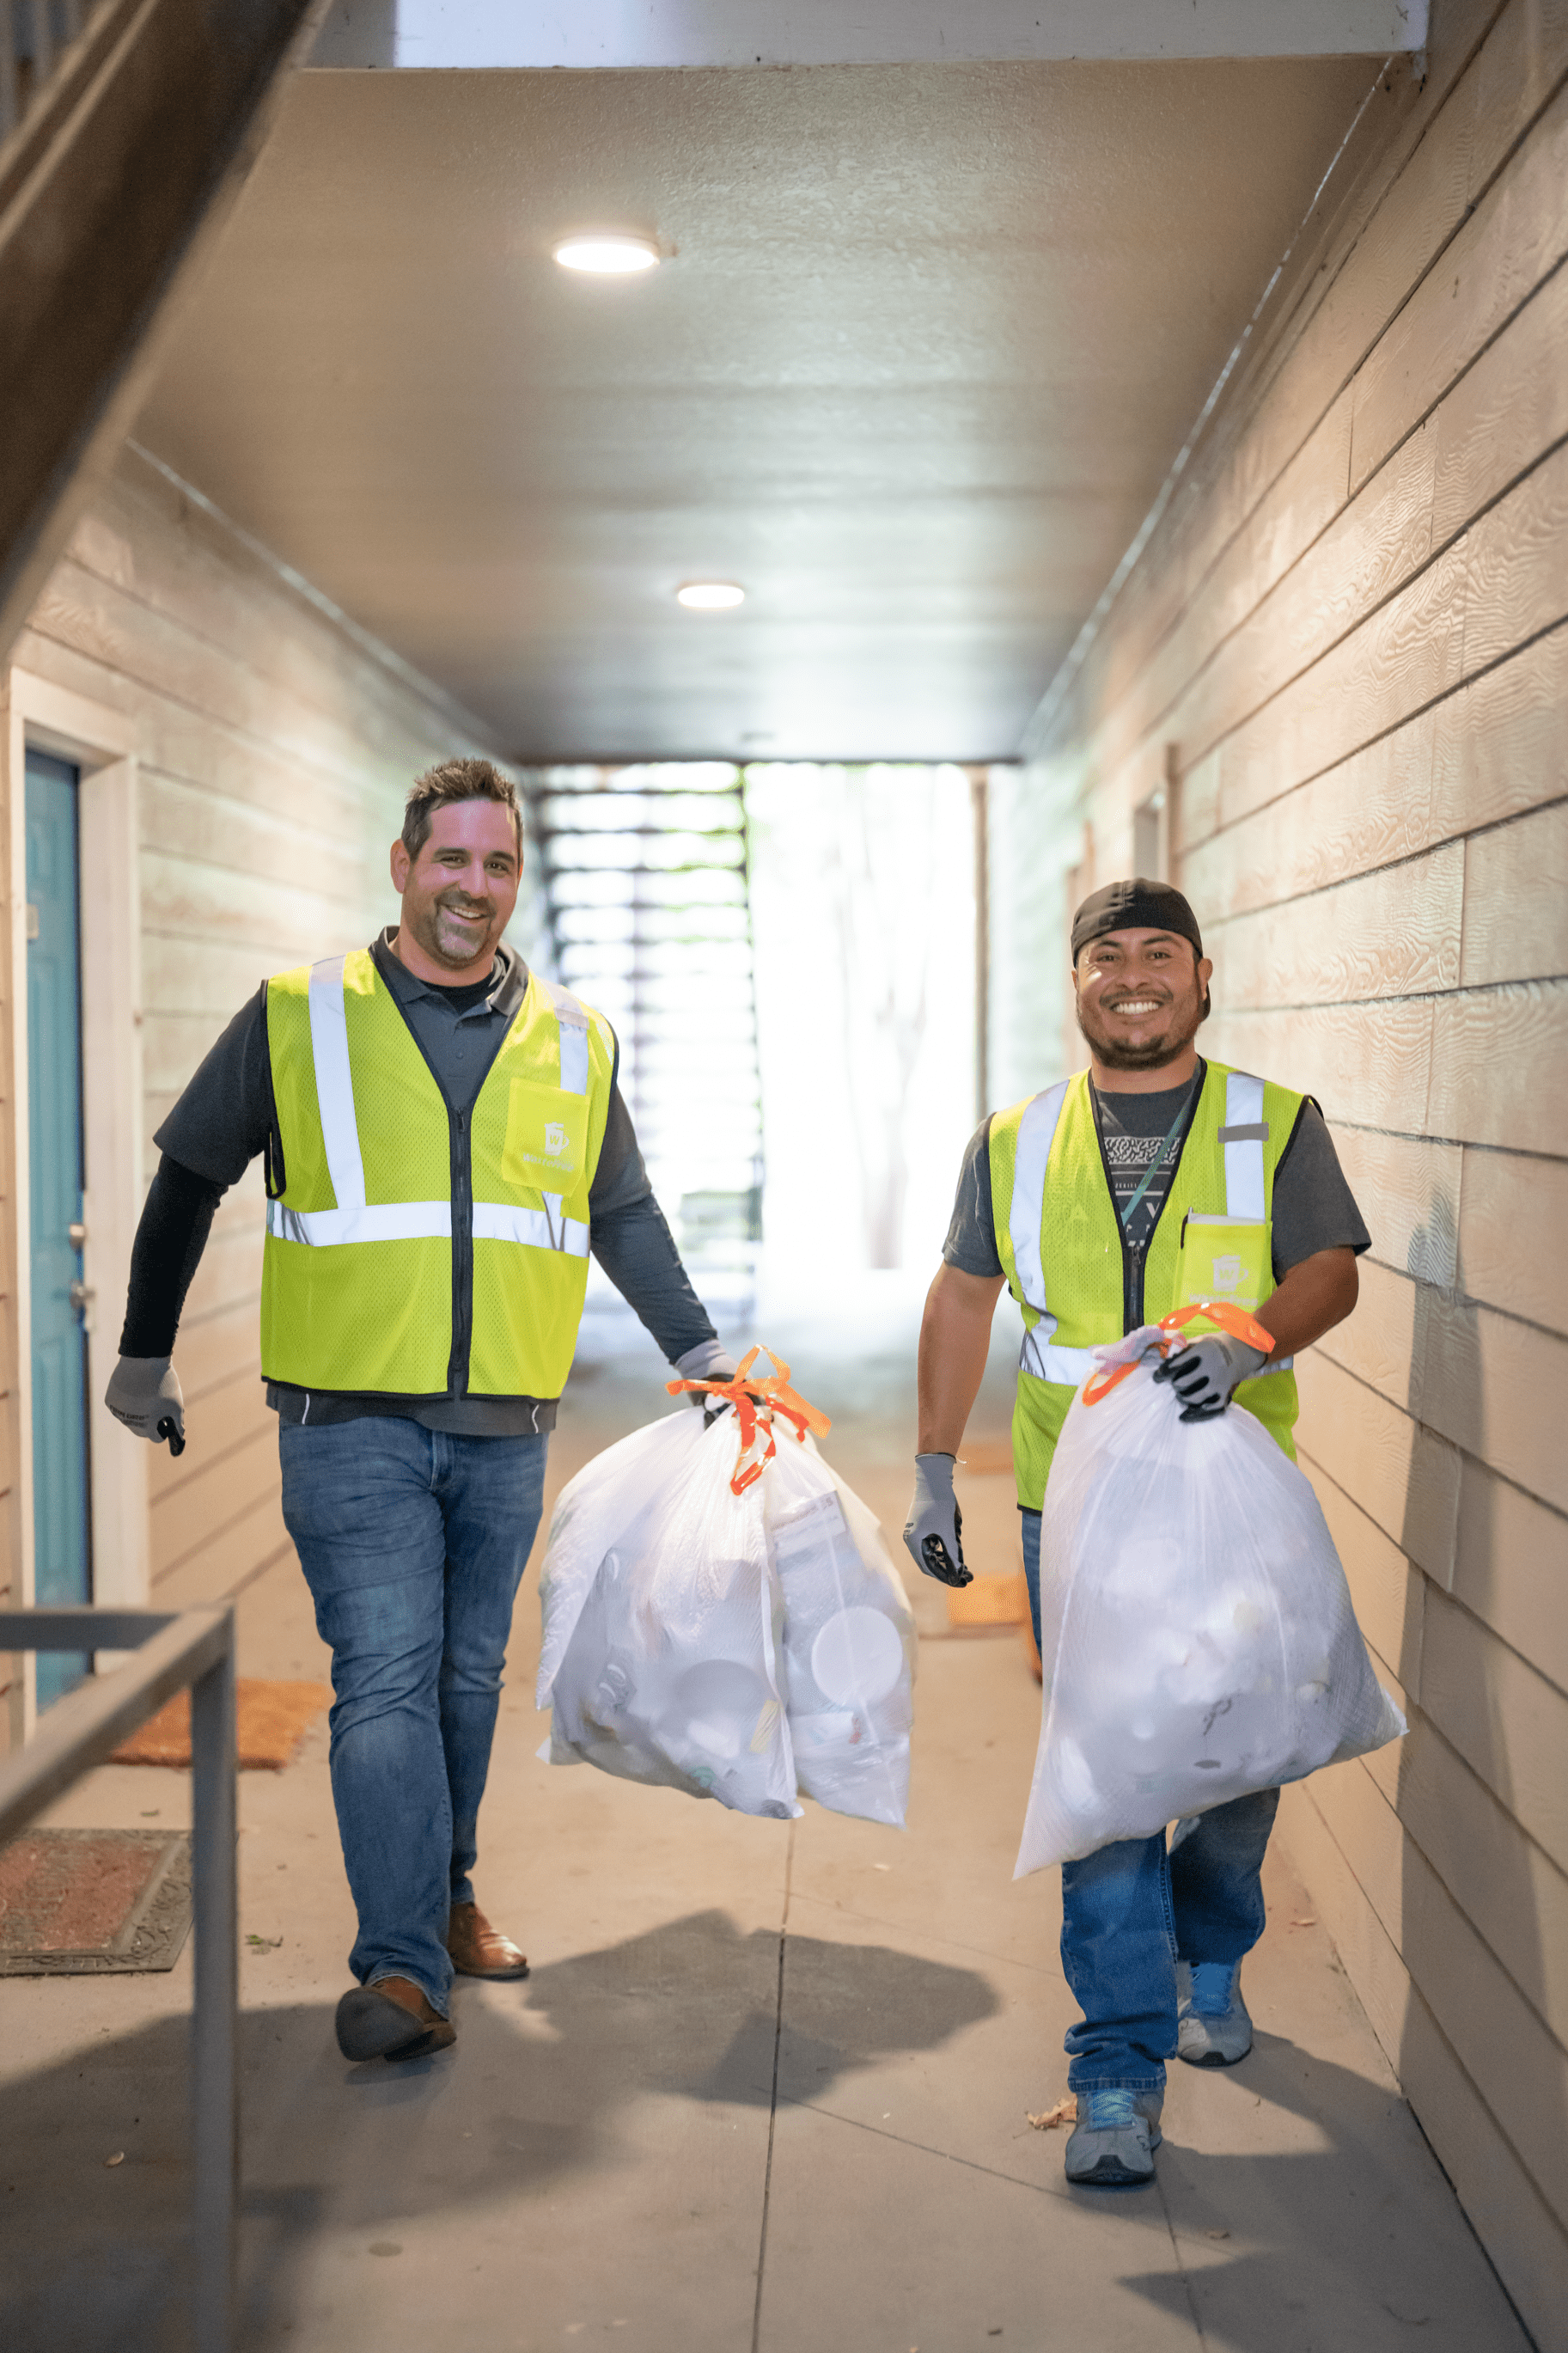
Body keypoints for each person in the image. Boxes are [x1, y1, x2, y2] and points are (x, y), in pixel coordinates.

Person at [106, 758, 737, 2065]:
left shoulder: (571, 1034)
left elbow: (618, 1208)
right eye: (451, 859)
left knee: (464, 1675)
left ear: (516, 879)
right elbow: (187, 1177)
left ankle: (444, 1895)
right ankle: (397, 1969)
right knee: (384, 1676)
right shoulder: (298, 1015)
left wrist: (700, 1347)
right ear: (402, 865)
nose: (473, 887)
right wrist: (142, 1352)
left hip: (506, 1418)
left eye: (497, 864)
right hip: (348, 1419)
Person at [904, 877, 1369, 2189]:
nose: (1133, 975)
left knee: (1242, 1749)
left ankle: (1210, 1944)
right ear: (1078, 984)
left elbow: (1330, 1262)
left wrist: (1256, 1335)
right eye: (1106, 957)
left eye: (1159, 953)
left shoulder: (1276, 1121)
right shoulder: (1014, 1137)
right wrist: (936, 1465)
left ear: (1203, 978)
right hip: (1078, 1498)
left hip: (1233, 1488)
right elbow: (962, 1291)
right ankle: (1114, 2066)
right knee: (1106, 1779)